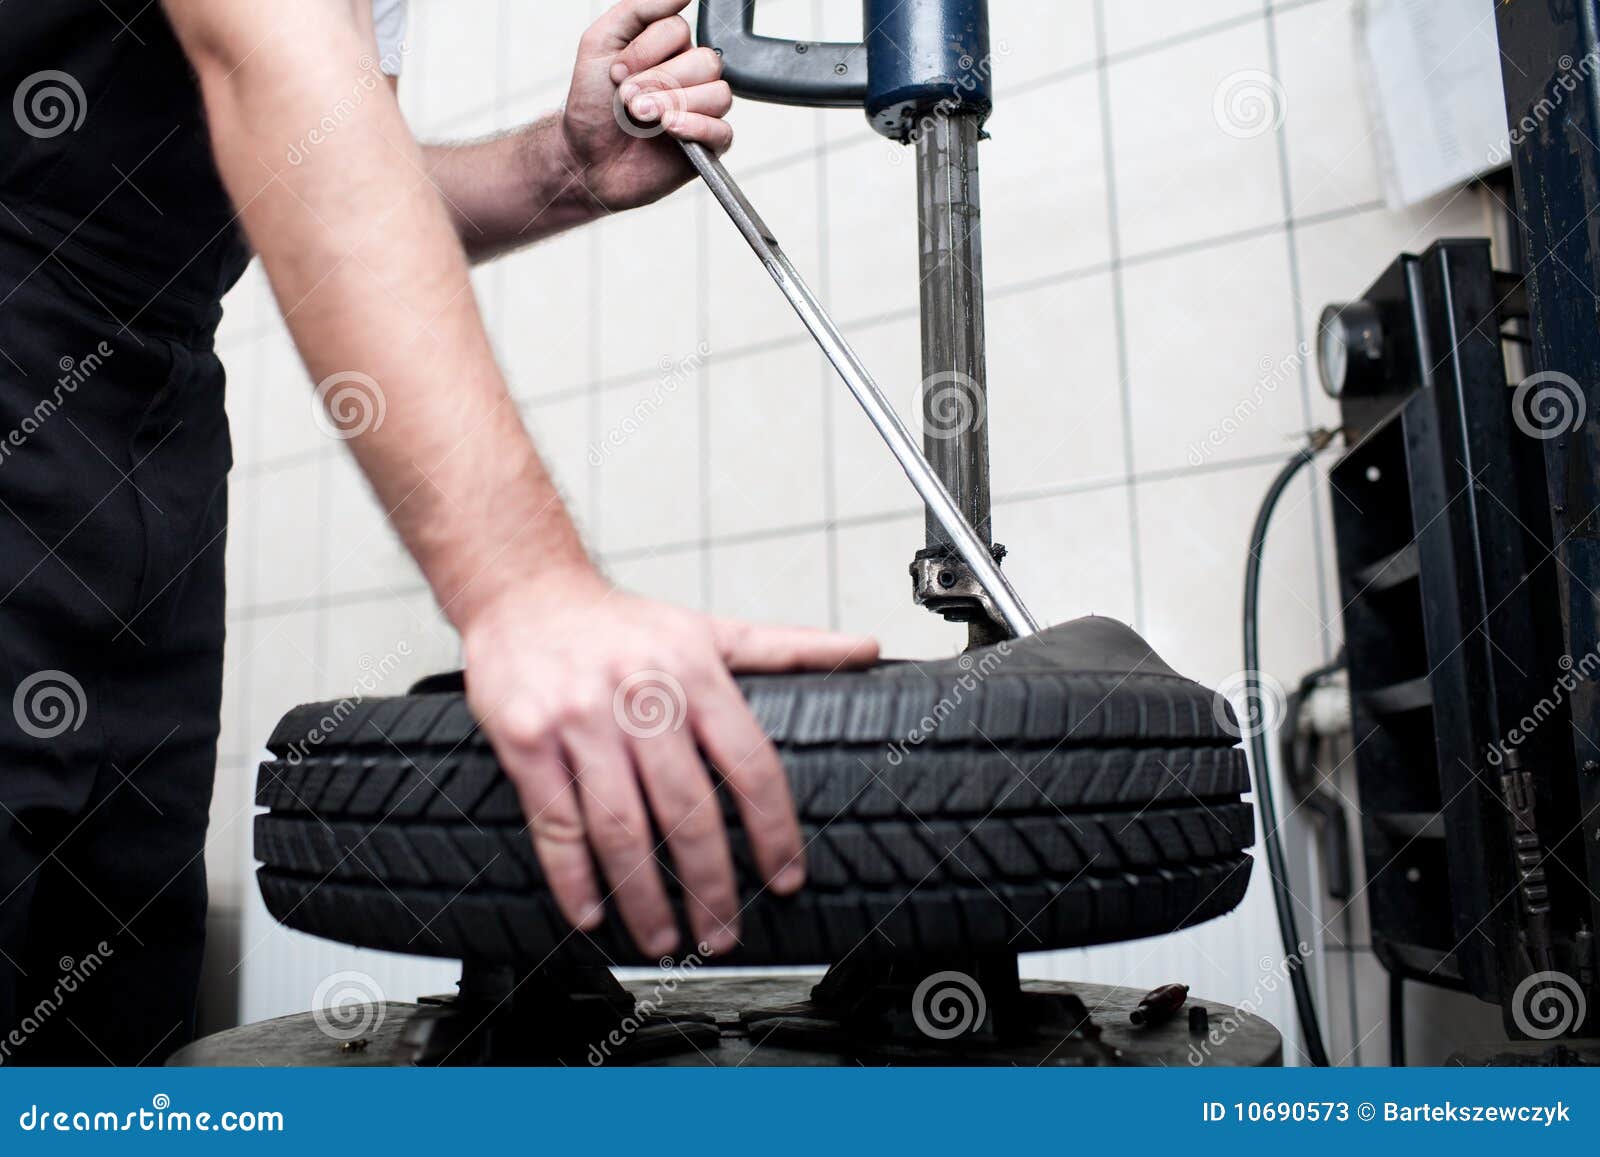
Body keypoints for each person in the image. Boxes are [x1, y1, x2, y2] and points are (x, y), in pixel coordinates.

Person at [0, 0, 878, 1065]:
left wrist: (559, 166)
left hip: (153, 438)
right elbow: (259, 51)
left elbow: (322, 152)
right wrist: (525, 586)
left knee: (103, 1022)